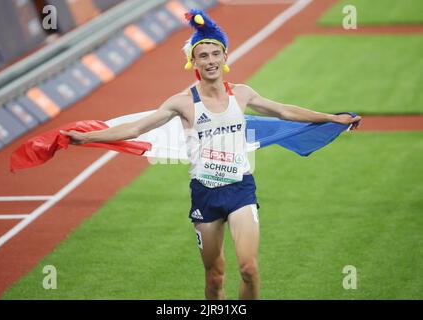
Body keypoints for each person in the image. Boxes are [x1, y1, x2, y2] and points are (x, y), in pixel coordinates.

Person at [61, 9, 361, 300]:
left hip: (241, 190)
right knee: (215, 277)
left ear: (225, 57)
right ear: (193, 61)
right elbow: (135, 128)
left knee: (249, 268)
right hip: (205, 195)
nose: (210, 60)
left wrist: (331, 117)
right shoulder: (182, 103)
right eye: (202, 56)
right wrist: (87, 137)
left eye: (215, 54)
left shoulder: (241, 93)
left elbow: (284, 111)